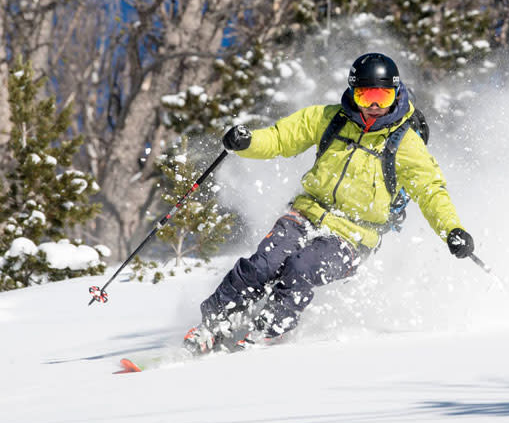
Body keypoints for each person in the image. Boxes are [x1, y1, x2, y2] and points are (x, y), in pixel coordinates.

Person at [183, 53, 475, 354]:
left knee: (301, 267)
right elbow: (281, 138)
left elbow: (430, 190)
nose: (374, 106)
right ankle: (214, 323)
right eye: (366, 96)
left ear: (396, 93)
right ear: (353, 92)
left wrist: (452, 229)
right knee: (263, 264)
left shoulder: (406, 143)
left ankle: (270, 329)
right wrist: (248, 143)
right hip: (306, 213)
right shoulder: (329, 119)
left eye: (383, 96)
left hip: (355, 235)